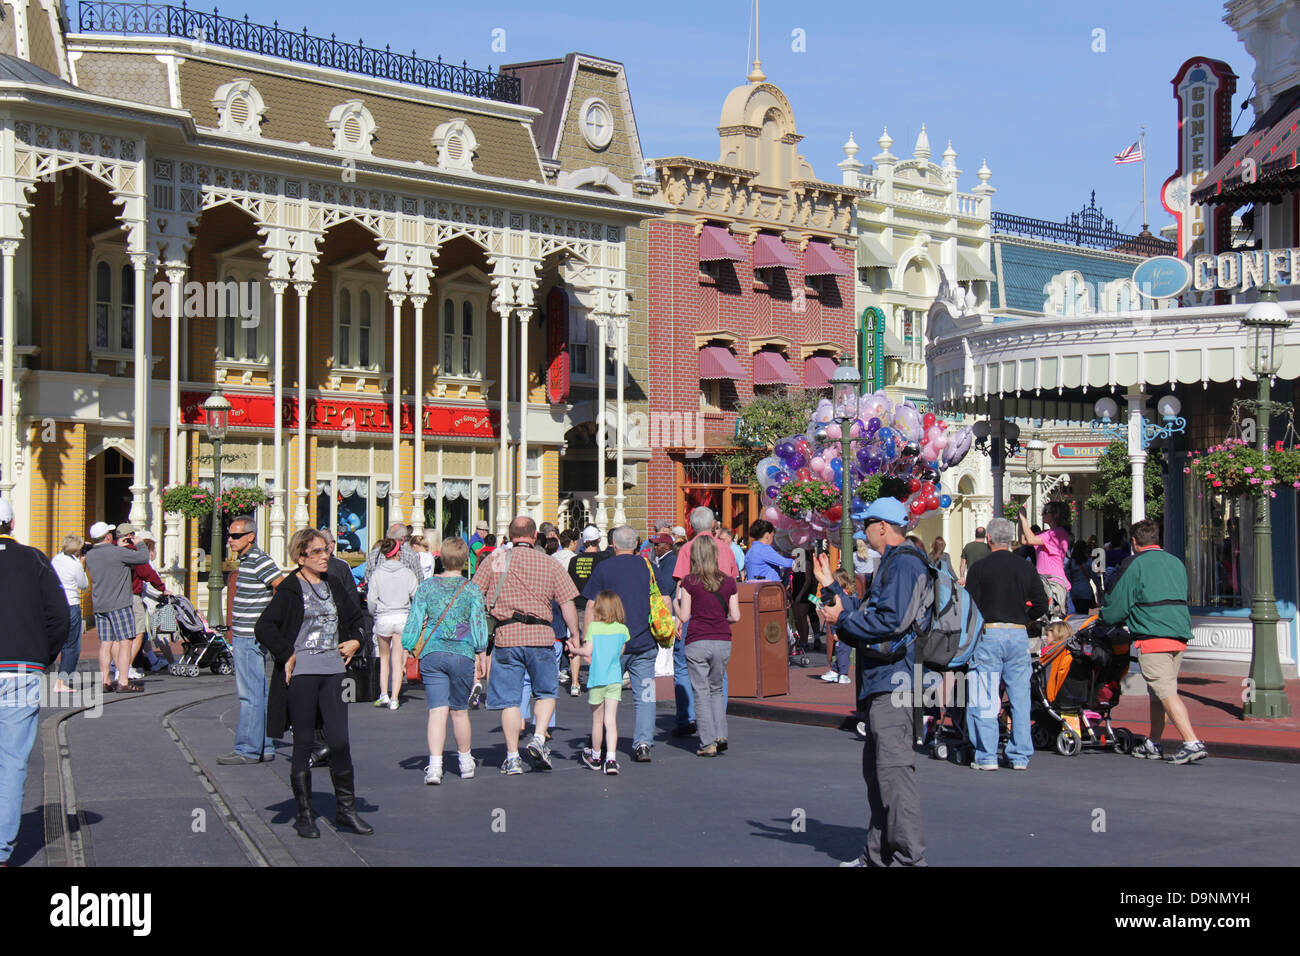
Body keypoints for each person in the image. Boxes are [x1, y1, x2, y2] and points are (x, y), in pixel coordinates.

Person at [814, 498, 928, 868]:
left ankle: (911, 860)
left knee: (894, 776)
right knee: (879, 775)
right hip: (883, 681)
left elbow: (889, 624)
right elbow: (873, 616)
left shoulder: (905, 564)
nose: (863, 530)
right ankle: (877, 856)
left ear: (883, 526)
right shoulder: (894, 564)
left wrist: (841, 621)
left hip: (894, 684)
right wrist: (836, 592)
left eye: (866, 524)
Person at [256, 529, 371, 838]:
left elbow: (359, 617)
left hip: (334, 672)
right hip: (303, 675)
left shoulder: (333, 584)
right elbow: (264, 626)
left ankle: (346, 811)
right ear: (300, 557)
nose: (325, 556)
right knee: (304, 743)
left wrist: (356, 641)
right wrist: (287, 654)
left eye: (326, 550)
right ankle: (305, 815)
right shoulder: (291, 588)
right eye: (317, 552)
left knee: (339, 742)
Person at [474, 516, 579, 774]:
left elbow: (475, 596)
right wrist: (575, 635)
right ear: (534, 537)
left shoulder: (496, 559)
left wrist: (476, 642)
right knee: (545, 692)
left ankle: (512, 756)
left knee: (510, 699)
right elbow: (567, 603)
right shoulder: (549, 562)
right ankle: (540, 738)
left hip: (507, 636)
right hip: (542, 637)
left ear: (510, 536)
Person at [1100, 519, 1206, 764]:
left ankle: (1191, 741)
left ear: (1134, 542)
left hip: (1153, 633)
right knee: (1159, 692)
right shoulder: (1175, 562)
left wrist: (1105, 617)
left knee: (1165, 691)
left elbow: (1118, 604)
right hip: (1178, 632)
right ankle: (1153, 742)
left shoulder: (1136, 565)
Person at [0, 498, 67, 867]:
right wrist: (43, 655)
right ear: (11, 525)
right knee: (11, 763)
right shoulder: (35, 560)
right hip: (20, 668)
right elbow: (59, 616)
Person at [963, 517, 1049, 771]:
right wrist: (1026, 617)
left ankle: (987, 754)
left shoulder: (979, 568)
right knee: (1020, 696)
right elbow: (1042, 604)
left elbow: (970, 605)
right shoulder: (1024, 567)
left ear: (989, 539)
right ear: (1011, 540)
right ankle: (1019, 754)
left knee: (986, 695)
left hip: (989, 632)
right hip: (1018, 633)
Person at [400, 537, 488, 784]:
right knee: (459, 712)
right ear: (463, 560)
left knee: (437, 711)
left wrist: (408, 646)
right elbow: (477, 623)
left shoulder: (427, 587)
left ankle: (435, 765)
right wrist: (481, 652)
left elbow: (415, 620)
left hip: (433, 652)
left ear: (441, 558)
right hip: (462, 653)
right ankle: (466, 761)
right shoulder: (471, 589)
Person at [582, 525, 658, 762]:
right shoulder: (648, 566)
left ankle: (602, 742)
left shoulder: (604, 568)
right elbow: (662, 598)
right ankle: (643, 742)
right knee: (645, 695)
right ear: (636, 544)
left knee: (604, 694)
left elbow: (591, 605)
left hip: (610, 643)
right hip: (644, 641)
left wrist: (587, 641)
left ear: (613, 544)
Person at [218, 515, 284, 765]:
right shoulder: (249, 561)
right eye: (229, 535)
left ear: (250, 537)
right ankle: (264, 745)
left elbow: (281, 586)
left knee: (250, 694)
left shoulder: (258, 560)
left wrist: (268, 620)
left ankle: (247, 748)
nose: (230, 541)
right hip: (248, 634)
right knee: (259, 691)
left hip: (249, 635)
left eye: (236, 536)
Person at [674, 535, 740, 756]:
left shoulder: (689, 582)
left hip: (698, 640)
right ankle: (721, 734)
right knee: (716, 688)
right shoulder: (729, 582)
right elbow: (736, 616)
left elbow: (684, 616)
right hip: (722, 639)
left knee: (700, 691)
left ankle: (707, 742)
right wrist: (720, 618)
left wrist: (676, 604)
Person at [84, 521, 151, 693]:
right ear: (108, 536)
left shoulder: (91, 555)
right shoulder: (117, 553)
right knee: (125, 642)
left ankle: (105, 680)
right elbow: (143, 558)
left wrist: (119, 547)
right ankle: (123, 680)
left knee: (106, 643)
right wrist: (140, 543)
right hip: (119, 604)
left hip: (100, 605)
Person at [571, 590, 630, 775]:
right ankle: (611, 759)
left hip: (597, 679)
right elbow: (621, 652)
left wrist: (574, 649)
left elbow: (587, 651)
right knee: (610, 721)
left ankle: (596, 756)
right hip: (614, 678)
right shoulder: (622, 630)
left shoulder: (594, 628)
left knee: (597, 722)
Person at [368, 536, 419, 710]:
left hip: (383, 617)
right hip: (402, 616)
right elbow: (416, 596)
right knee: (398, 660)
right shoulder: (407, 573)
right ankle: (395, 697)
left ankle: (384, 693)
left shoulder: (377, 573)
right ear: (398, 553)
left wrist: (373, 613)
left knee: (384, 658)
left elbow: (371, 600)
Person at [51, 533, 89, 692]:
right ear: (77, 551)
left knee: (55, 640)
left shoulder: (55, 559)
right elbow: (83, 585)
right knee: (71, 644)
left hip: (56, 604)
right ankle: (62, 682)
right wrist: (82, 564)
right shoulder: (75, 564)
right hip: (71, 604)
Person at [673, 507, 740, 581]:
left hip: (695, 591)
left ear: (691, 525)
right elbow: (733, 578)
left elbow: (681, 580)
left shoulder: (686, 548)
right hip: (723, 590)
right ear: (713, 524)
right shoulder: (725, 547)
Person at [819, 568, 856, 684]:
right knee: (842, 651)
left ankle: (842, 673)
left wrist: (834, 631)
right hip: (847, 628)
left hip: (844, 629)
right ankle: (836, 671)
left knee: (842, 651)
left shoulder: (839, 597)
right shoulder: (850, 595)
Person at [745, 519, 794, 583]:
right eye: (773, 535)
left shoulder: (750, 550)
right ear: (767, 536)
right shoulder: (764, 549)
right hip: (767, 589)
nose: (773, 539)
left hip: (754, 588)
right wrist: (801, 562)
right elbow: (787, 563)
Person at [1065, 539, 1100, 616]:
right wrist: (1099, 589)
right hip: (1086, 592)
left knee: (1075, 615)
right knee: (1088, 613)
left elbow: (1067, 577)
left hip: (1074, 592)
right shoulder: (1089, 562)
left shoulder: (1070, 562)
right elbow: (1094, 578)